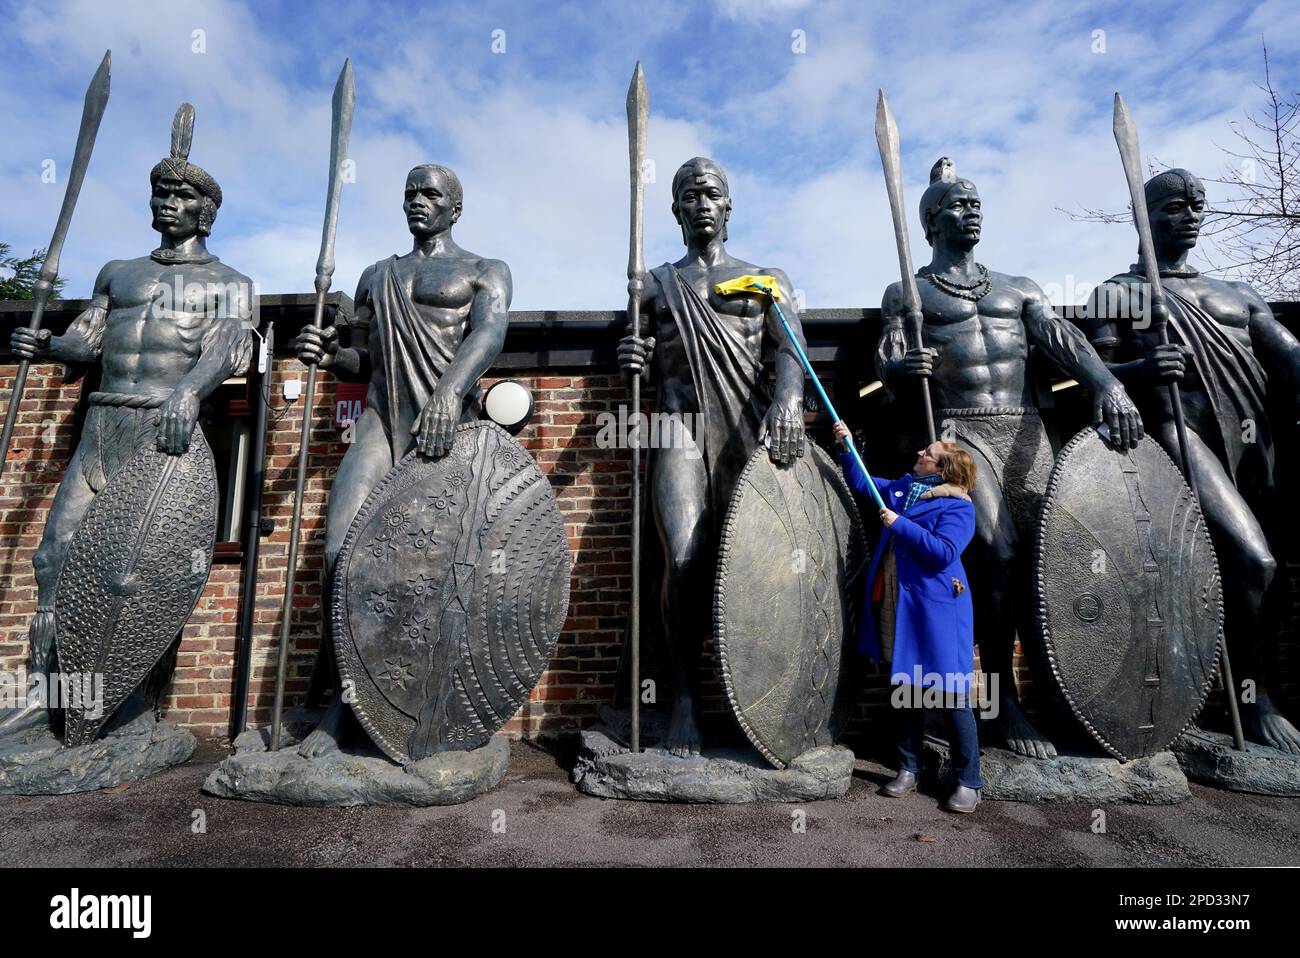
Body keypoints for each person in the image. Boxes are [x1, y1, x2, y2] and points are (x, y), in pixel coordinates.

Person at [875, 157, 1144, 759]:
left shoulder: (1019, 288)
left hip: (1026, 431)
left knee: (1049, 562)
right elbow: (886, 363)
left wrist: (1106, 384)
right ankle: (999, 704)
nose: (970, 211)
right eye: (957, 203)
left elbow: (1062, 342)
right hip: (959, 432)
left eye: (975, 203)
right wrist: (900, 367)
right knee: (998, 554)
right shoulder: (909, 293)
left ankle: (1063, 695)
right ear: (930, 219)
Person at [291, 163, 513, 757]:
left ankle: (423, 707)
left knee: (434, 572)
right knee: (341, 555)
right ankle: (345, 704)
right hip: (380, 425)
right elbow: (362, 361)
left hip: (446, 432)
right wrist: (328, 354)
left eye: (431, 193)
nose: (418, 200)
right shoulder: (375, 277)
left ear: (455, 207)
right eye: (410, 192)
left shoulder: (484, 271)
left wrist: (448, 393)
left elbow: (490, 336)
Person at [1081, 168, 1300, 753]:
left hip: (1253, 442)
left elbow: (1289, 361)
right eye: (1177, 205)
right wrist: (1137, 373)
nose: (1192, 214)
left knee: (1265, 573)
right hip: (1181, 433)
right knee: (1254, 562)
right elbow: (1088, 384)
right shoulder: (1118, 292)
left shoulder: (1240, 296)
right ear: (1145, 215)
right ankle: (1253, 703)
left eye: (1198, 205)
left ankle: (1232, 692)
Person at [616, 157, 806, 756]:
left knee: (763, 562)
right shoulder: (651, 285)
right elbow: (635, 355)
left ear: (729, 207)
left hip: (749, 430)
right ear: (675, 210)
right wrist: (631, 355)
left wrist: (790, 402)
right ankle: (685, 698)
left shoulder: (764, 278)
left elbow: (791, 348)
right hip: (678, 429)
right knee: (688, 556)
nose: (702, 202)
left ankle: (766, 700)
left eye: (712, 194)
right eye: (690, 195)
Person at [833, 421, 982, 813]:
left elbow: (944, 551)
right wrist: (847, 446)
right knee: (906, 691)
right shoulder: (903, 489)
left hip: (936, 611)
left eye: (928, 454)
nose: (919, 454)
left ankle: (969, 781)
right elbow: (864, 484)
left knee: (952, 696)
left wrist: (901, 525)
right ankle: (908, 769)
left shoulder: (957, 505)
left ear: (942, 470)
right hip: (897, 603)